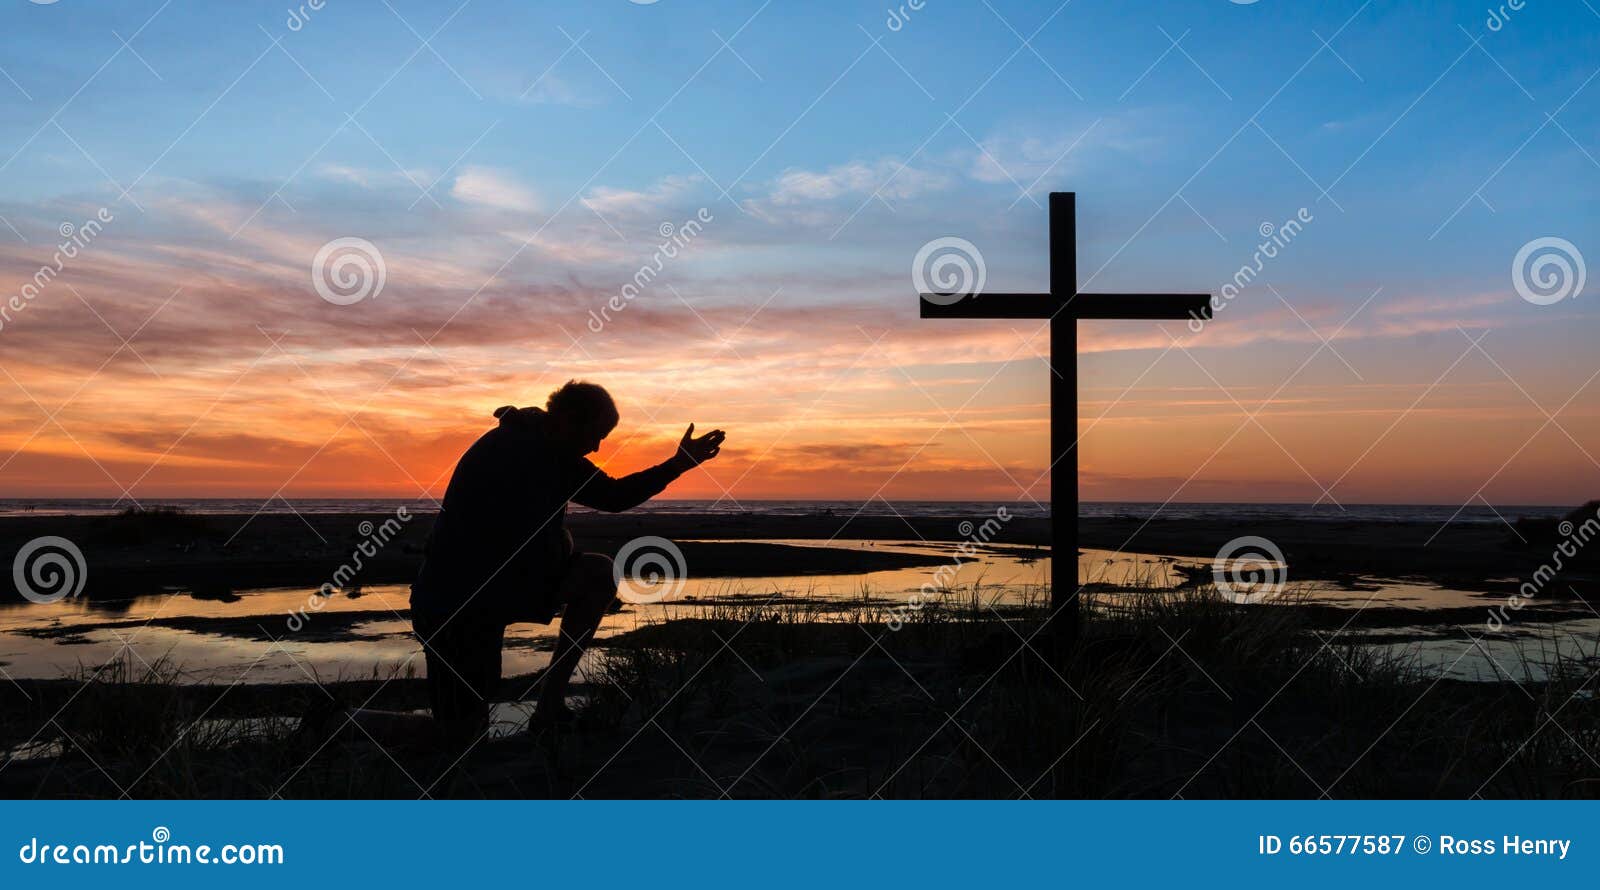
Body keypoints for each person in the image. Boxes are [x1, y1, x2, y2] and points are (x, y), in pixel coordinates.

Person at [409, 380, 724, 742]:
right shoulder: (539, 451)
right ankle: (347, 722)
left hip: (500, 589)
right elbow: (614, 495)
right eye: (596, 434)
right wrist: (678, 464)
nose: (596, 446)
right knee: (460, 734)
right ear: (569, 420)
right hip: (454, 604)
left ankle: (549, 708)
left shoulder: (538, 440)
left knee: (597, 574)